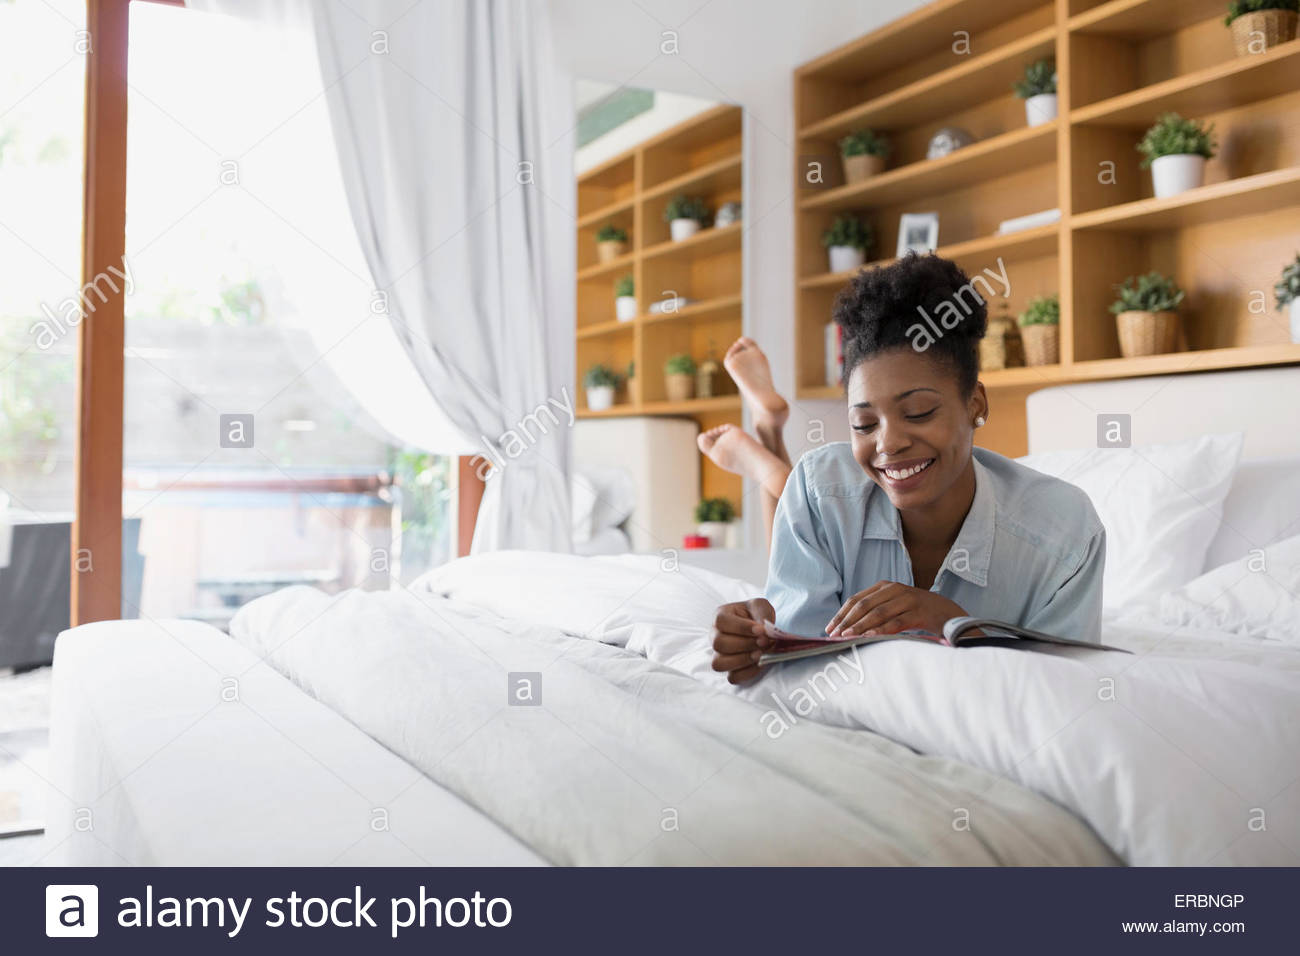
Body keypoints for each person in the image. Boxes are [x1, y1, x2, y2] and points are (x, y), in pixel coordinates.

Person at [707, 253, 1106, 685]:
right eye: (864, 423)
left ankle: (768, 448)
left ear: (976, 404)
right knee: (801, 490)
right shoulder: (820, 487)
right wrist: (761, 644)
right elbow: (803, 663)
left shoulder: (1065, 534)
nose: (889, 443)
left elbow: (1069, 692)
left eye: (917, 412)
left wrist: (955, 626)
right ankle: (769, 445)